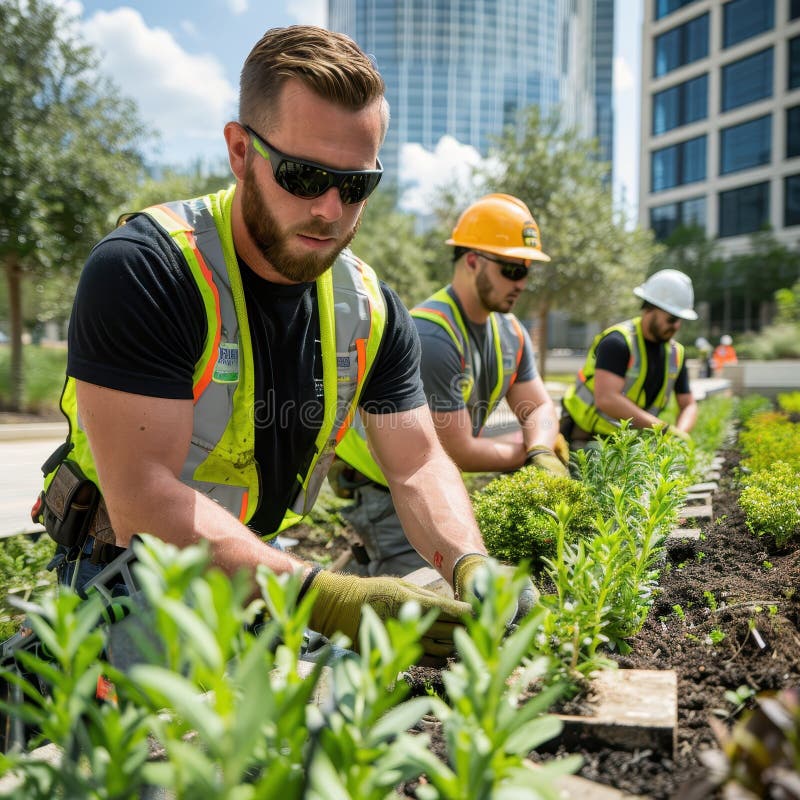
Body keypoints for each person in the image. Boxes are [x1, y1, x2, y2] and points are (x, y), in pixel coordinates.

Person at [33, 26, 531, 662]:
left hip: (261, 573)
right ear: (240, 152)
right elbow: (143, 499)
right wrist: (325, 598)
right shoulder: (148, 269)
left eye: (356, 185)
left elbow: (417, 464)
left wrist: (469, 563)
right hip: (128, 581)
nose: (329, 209)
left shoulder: (370, 308)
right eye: (302, 175)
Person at [332, 193, 569, 577]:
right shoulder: (433, 335)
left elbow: (538, 407)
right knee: (424, 600)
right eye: (512, 269)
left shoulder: (510, 331)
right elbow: (458, 449)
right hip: (390, 487)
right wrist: (528, 454)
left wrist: (541, 446)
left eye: (527, 270)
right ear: (473, 260)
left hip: (424, 477)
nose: (522, 282)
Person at [560, 268, 699, 447]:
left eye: (681, 319)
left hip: (628, 445)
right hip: (586, 437)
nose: (677, 325)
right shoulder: (617, 342)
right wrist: (661, 428)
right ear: (650, 308)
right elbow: (607, 398)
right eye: (672, 318)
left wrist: (679, 434)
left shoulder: (676, 354)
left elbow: (688, 404)